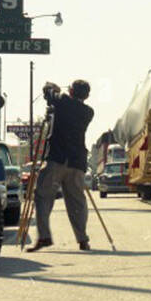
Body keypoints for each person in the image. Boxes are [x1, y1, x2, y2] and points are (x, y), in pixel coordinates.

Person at [28, 79, 95, 252]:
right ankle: (83, 239)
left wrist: (52, 87)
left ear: (71, 92)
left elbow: (48, 92)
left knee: (43, 196)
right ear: (87, 96)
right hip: (77, 162)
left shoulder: (62, 101)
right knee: (77, 202)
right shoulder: (88, 112)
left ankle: (44, 236)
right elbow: (58, 98)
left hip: (58, 159)